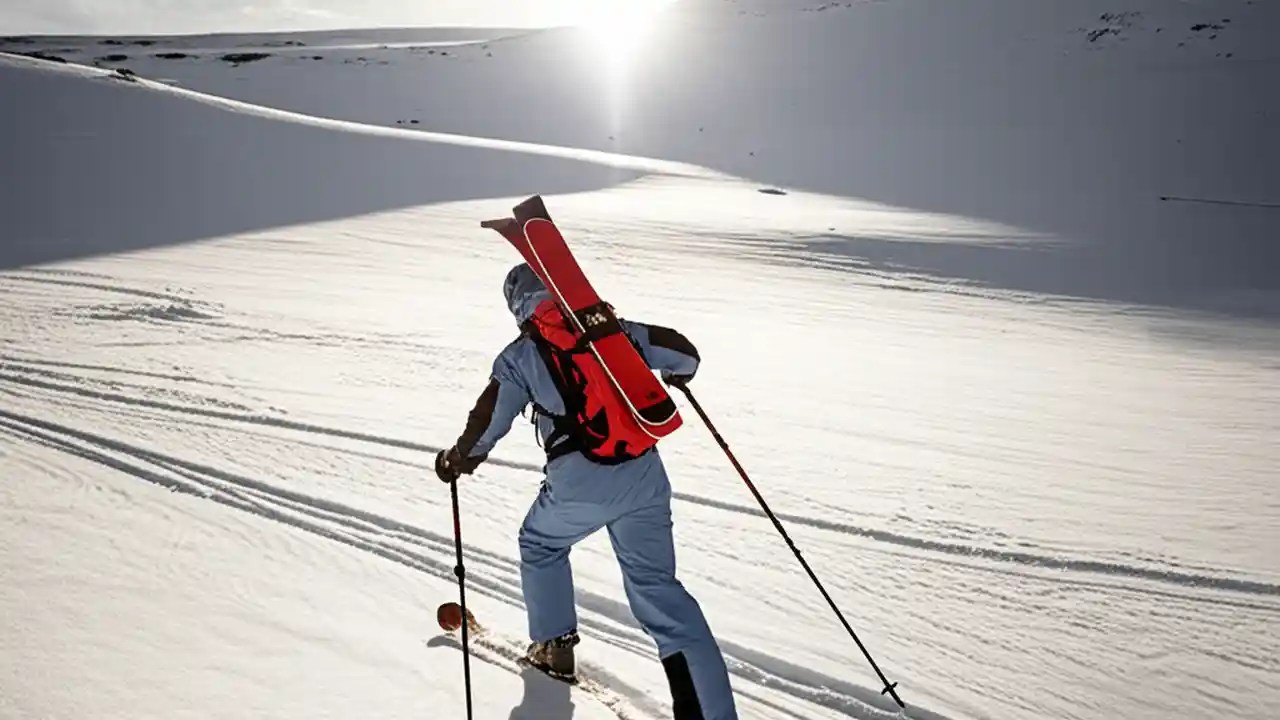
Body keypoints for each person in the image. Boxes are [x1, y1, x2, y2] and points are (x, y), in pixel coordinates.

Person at [435, 263, 738, 720]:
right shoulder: (608, 328)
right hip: (644, 477)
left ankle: (554, 645)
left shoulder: (521, 355)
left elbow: (486, 424)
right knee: (661, 593)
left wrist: (456, 461)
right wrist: (675, 377)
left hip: (579, 483)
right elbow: (684, 354)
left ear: (517, 306)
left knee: (539, 542)